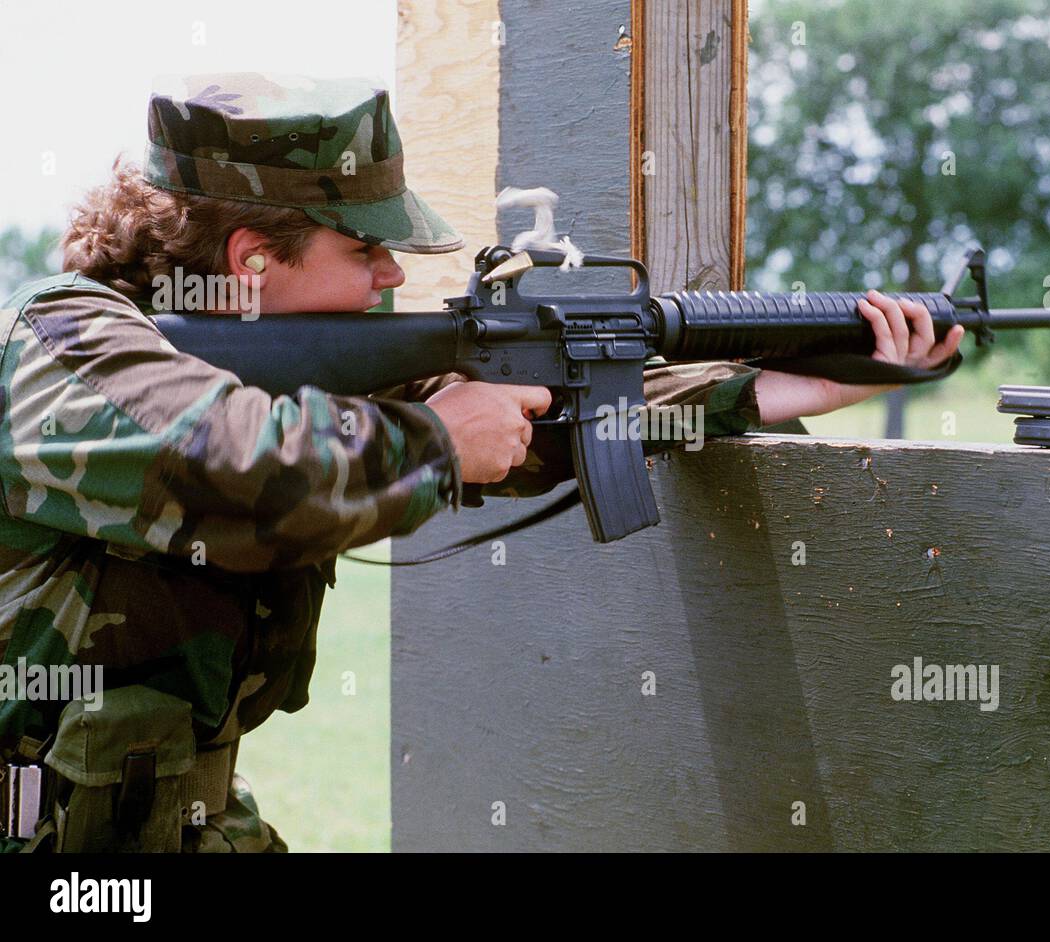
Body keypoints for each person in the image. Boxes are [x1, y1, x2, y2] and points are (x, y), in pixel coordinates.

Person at [0, 72, 962, 852]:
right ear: (252, 257)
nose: (390, 275)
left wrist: (804, 380)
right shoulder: (65, 345)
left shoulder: (284, 361)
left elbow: (541, 431)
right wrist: (440, 442)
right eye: (367, 248)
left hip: (178, 819)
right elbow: (238, 466)